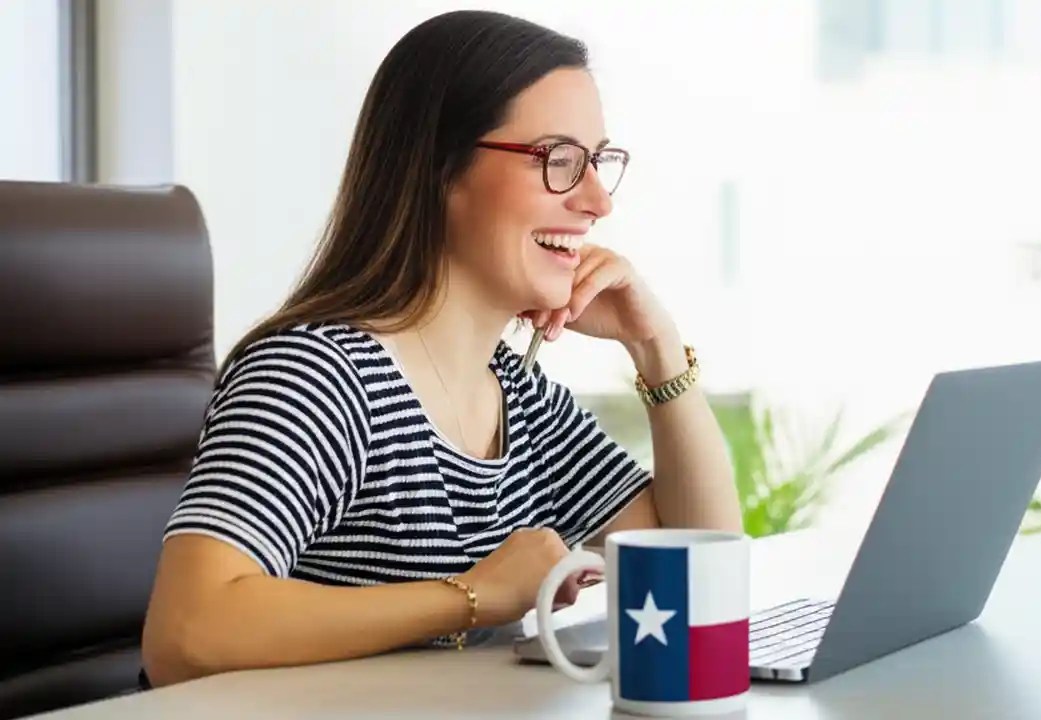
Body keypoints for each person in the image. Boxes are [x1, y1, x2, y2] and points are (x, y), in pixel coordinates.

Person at [139, 9, 741, 688]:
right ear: (437, 168)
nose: (598, 200)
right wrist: (472, 595)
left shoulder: (516, 392)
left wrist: (655, 347)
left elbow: (700, 567)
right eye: (560, 160)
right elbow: (187, 631)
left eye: (599, 163)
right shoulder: (316, 376)